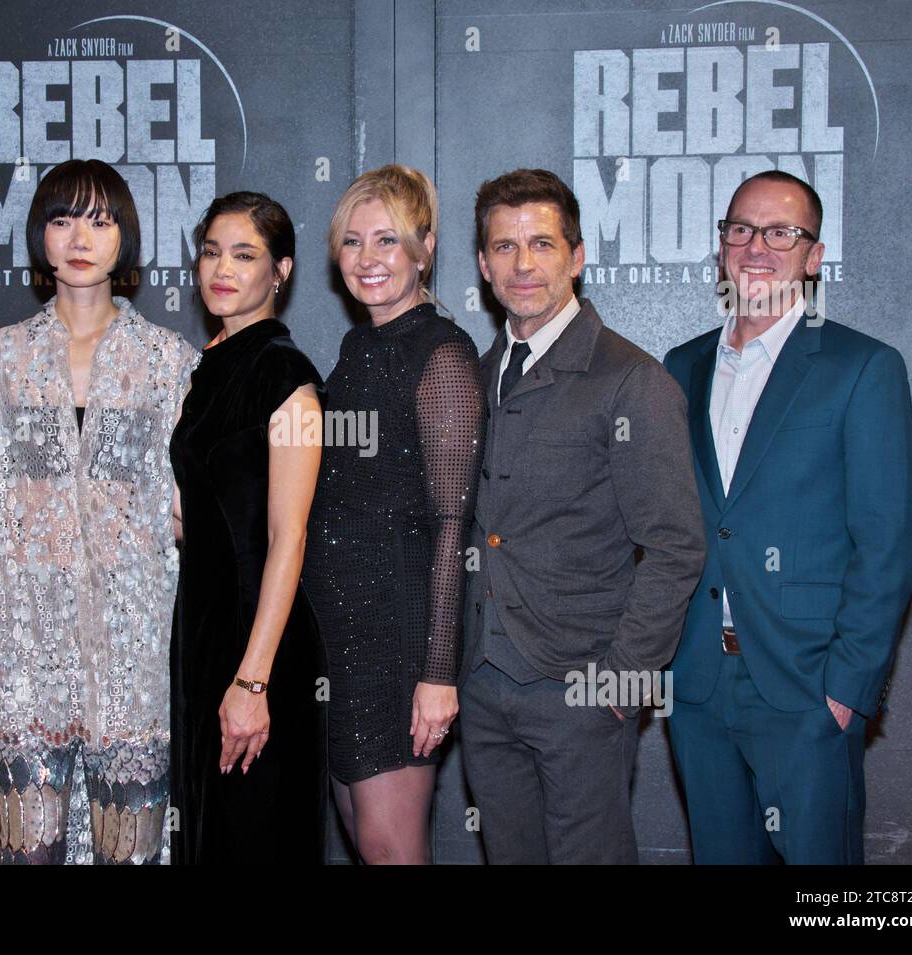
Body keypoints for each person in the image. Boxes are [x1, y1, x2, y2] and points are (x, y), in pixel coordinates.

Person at [663, 171, 912, 865]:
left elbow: (886, 544)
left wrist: (846, 688)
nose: (756, 247)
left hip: (806, 690)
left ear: (814, 255)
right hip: (698, 687)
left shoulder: (861, 368)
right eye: (741, 229)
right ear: (721, 246)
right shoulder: (679, 368)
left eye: (782, 232)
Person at [0, 159, 197, 864]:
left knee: (130, 855)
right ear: (39, 235)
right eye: (61, 218)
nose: (79, 237)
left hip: (135, 657)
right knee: (28, 853)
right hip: (25, 651)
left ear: (127, 236)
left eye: (100, 219)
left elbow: (186, 506)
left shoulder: (168, 362)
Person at [459, 168, 706, 864]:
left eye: (542, 243)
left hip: (584, 689)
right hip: (483, 680)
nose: (523, 263)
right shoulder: (474, 374)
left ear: (578, 256)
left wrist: (622, 683)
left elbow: (676, 546)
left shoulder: (630, 379)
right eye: (504, 247)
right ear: (482, 264)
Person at [301, 165, 485, 864]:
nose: (368, 259)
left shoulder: (441, 355)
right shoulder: (355, 350)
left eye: (387, 240)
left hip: (397, 643)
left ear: (425, 249)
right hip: (341, 636)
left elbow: (451, 525)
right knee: (362, 834)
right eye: (352, 242)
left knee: (390, 848)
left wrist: (437, 673)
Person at [169, 192, 327, 864]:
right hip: (203, 635)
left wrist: (253, 680)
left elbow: (289, 538)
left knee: (252, 838)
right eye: (211, 252)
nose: (222, 269)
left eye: (245, 254)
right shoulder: (205, 367)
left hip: (259, 642)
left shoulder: (287, 378)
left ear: (281, 270)